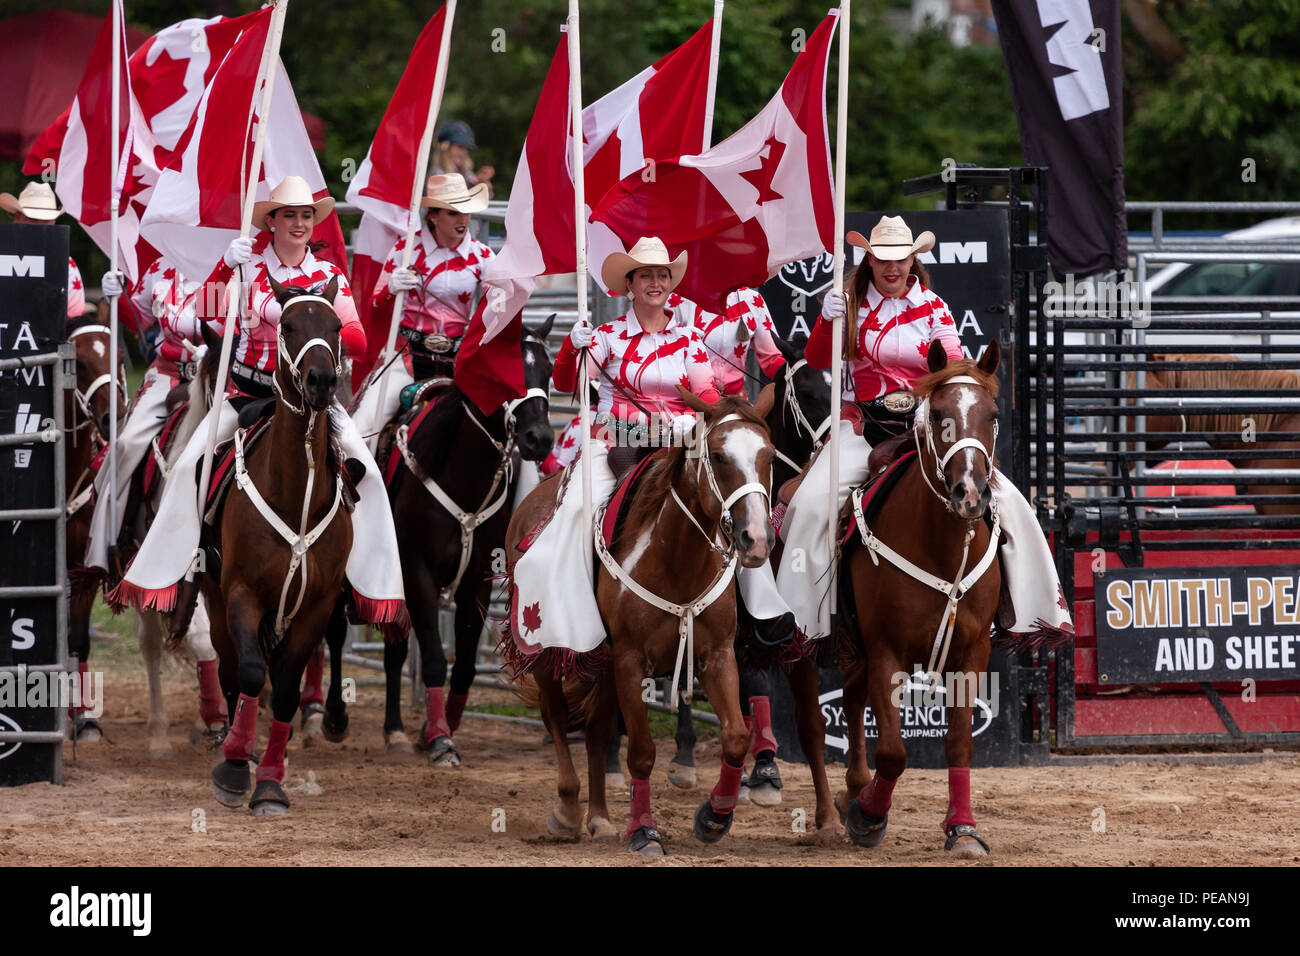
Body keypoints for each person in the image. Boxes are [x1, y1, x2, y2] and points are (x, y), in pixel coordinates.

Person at [111, 176, 405, 629]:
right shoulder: (247, 267)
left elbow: (360, 341)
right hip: (248, 393)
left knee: (368, 475)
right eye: (290, 215)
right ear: (271, 221)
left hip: (313, 401)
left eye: (306, 215)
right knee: (189, 467)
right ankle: (175, 573)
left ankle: (366, 586)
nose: (300, 223)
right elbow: (206, 313)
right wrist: (225, 269)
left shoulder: (330, 276)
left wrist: (311, 324)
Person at [775, 215, 1072, 641]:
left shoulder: (934, 307)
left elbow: (951, 363)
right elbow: (819, 359)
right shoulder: (849, 302)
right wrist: (826, 320)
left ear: (913, 260)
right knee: (808, 507)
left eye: (901, 259)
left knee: (1010, 503)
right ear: (869, 261)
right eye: (882, 260)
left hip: (923, 426)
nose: (892, 268)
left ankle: (1033, 614)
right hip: (861, 428)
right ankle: (804, 626)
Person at [513, 237, 794, 658]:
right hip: (616, 443)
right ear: (630, 284)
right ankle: (570, 617)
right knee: (573, 509)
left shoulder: (689, 340)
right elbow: (570, 384)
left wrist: (713, 417)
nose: (655, 282)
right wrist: (572, 346)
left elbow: (706, 395)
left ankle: (762, 607)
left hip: (678, 447)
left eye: (662, 275)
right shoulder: (605, 336)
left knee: (734, 500)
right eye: (646, 275)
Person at [86, 256, 207, 577]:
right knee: (125, 444)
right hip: (167, 372)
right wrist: (118, 297)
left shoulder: (229, 263)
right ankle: (113, 542)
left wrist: (223, 348)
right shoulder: (159, 268)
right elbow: (137, 316)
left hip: (219, 373)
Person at [352, 173, 493, 439]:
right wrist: (391, 288)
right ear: (433, 216)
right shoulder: (406, 249)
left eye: (466, 212)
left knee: (506, 426)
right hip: (407, 357)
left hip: (460, 360)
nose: (463, 219)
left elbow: (495, 313)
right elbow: (374, 305)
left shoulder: (483, 256)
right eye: (453, 213)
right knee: (363, 427)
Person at [670, 287, 787, 397]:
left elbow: (772, 358)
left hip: (735, 402)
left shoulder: (752, 299)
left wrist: (796, 371)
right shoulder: (677, 300)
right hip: (691, 403)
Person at [1, 181, 85, 318]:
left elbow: (74, 316)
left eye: (46, 219)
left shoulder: (66, 264)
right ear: (18, 217)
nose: (40, 226)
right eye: (33, 218)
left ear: (54, 222)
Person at [431, 120, 494, 194]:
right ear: (445, 148)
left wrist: (481, 184)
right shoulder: (436, 174)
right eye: (460, 147)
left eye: (466, 148)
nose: (464, 153)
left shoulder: (466, 173)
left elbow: (484, 195)